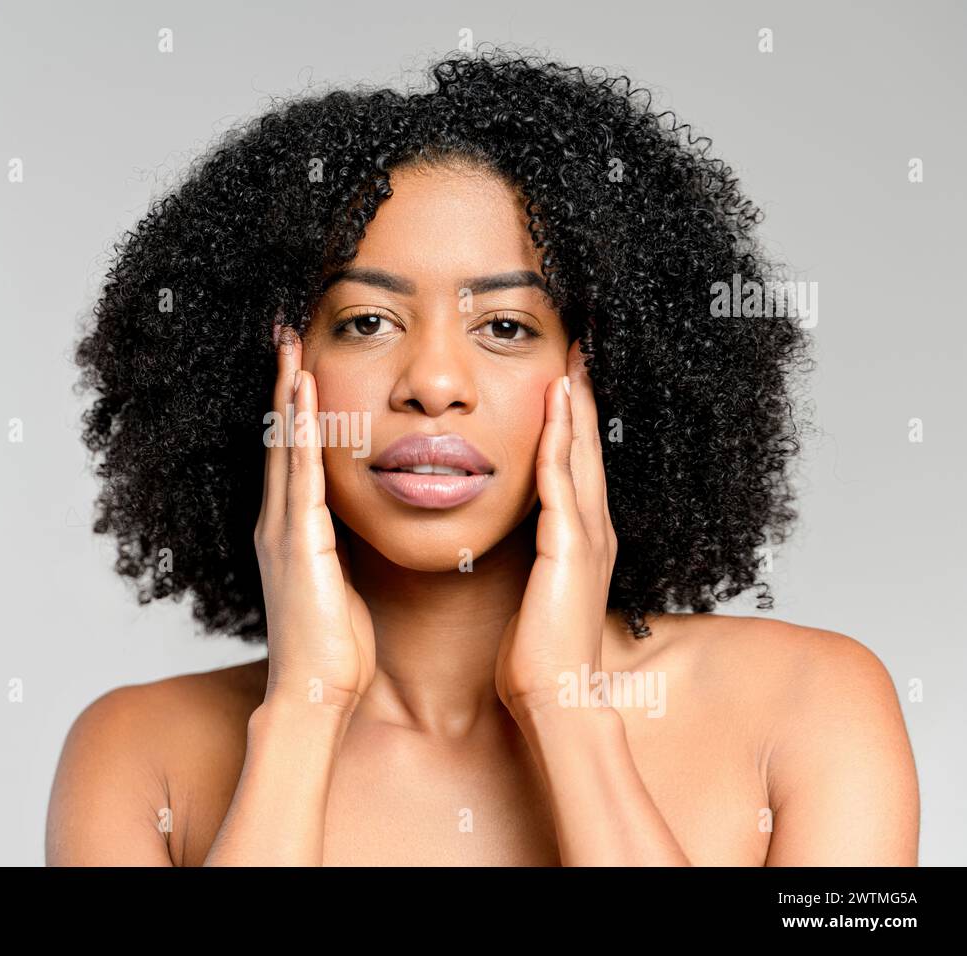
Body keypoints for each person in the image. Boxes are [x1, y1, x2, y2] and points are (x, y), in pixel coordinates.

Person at [46, 47, 919, 865]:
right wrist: (304, 710)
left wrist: (563, 707)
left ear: (604, 369)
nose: (433, 382)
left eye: (505, 327)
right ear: (273, 370)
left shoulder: (811, 708)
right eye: (365, 323)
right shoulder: (137, 754)